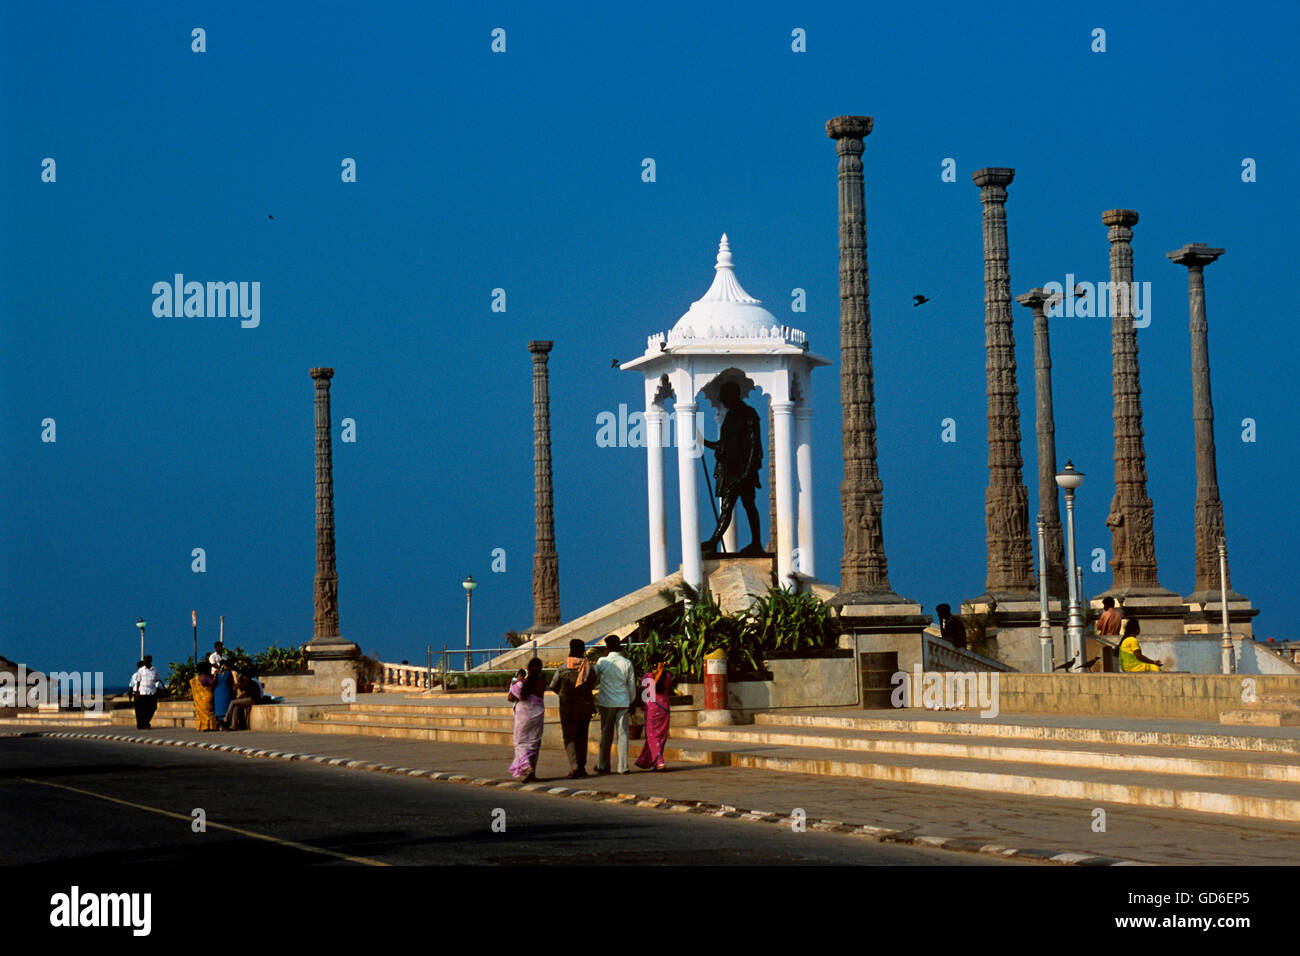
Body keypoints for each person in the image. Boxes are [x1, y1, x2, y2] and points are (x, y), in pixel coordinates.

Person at [701, 380, 764, 555]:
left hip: (743, 471)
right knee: (730, 507)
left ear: (732, 396)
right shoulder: (730, 416)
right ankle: (714, 542)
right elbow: (723, 445)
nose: (722, 402)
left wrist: (746, 472)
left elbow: (754, 446)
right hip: (731, 471)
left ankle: (755, 543)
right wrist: (702, 441)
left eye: (724, 398)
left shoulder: (749, 415)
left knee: (747, 505)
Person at [549, 639, 596, 779]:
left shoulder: (563, 668)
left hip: (568, 708)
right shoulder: (589, 668)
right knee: (582, 738)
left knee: (570, 738)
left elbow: (553, 685)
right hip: (585, 706)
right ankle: (582, 767)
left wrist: (563, 694)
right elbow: (593, 683)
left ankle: (574, 767)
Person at [594, 634, 637, 775]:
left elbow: (594, 678)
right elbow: (631, 686)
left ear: (607, 648)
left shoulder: (602, 662)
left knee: (606, 734)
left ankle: (602, 765)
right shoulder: (627, 663)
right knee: (623, 735)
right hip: (623, 702)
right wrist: (631, 701)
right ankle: (623, 767)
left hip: (606, 703)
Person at [507, 658, 547, 782]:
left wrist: (515, 684)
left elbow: (510, 698)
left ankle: (526, 766)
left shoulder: (521, 683)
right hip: (537, 715)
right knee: (534, 744)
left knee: (519, 743)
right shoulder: (542, 683)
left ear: (528, 669)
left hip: (523, 716)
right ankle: (532, 773)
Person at [634, 653, 673, 771]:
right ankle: (649, 760)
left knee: (652, 737)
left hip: (651, 709)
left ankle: (659, 761)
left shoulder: (647, 677)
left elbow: (645, 696)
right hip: (664, 709)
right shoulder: (668, 677)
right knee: (661, 736)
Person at [129, 656, 160, 729]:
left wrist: (157, 688)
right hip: (143, 692)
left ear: (150, 661)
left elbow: (157, 679)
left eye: (146, 661)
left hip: (152, 691)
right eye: (144, 661)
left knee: (153, 707)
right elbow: (138, 681)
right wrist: (137, 691)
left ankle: (145, 722)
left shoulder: (155, 670)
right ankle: (144, 724)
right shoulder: (141, 670)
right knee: (143, 709)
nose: (145, 662)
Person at [190, 661, 218, 732]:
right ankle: (211, 726)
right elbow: (212, 683)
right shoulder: (207, 677)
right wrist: (215, 676)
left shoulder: (195, 679)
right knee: (209, 713)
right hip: (207, 697)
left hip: (198, 699)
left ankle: (203, 726)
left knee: (201, 714)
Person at [213, 662, 236, 731]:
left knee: (219, 711)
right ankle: (225, 725)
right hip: (226, 692)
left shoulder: (216, 674)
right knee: (226, 709)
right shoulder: (228, 673)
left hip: (218, 693)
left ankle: (220, 725)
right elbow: (232, 683)